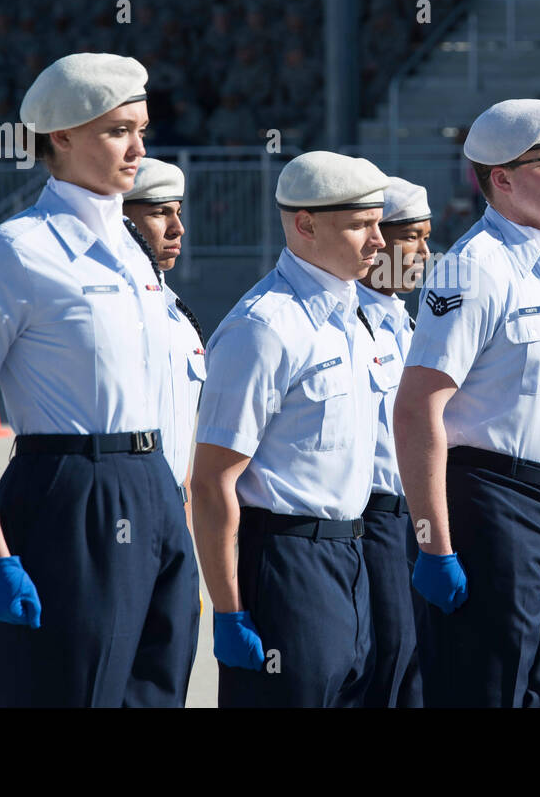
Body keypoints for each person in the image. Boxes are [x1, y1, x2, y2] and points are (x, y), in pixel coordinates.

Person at [0, 53, 199, 707]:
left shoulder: (133, 253)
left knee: (155, 692)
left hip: (155, 488)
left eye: (142, 129)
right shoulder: (17, 250)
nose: (138, 147)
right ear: (62, 137)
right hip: (71, 496)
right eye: (118, 131)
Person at [395, 99, 540, 708]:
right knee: (489, 688)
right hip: (493, 507)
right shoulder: (471, 268)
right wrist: (434, 541)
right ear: (502, 179)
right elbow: (416, 409)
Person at [192, 151, 387, 708]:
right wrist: (229, 610)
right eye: (359, 225)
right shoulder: (265, 328)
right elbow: (210, 483)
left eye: (377, 222)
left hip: (351, 557)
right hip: (287, 562)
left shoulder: (351, 319)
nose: (378, 240)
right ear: (305, 224)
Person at [356, 176, 432, 708]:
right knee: (382, 670)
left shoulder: (407, 322)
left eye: (429, 237)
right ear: (375, 238)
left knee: (417, 677)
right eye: (412, 237)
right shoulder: (346, 319)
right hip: (372, 523)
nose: (426, 253)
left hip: (417, 519)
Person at [122, 158, 206, 496]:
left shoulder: (180, 317)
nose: (177, 228)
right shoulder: (106, 308)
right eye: (160, 213)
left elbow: (179, 444)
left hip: (170, 505)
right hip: (123, 500)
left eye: (179, 213)